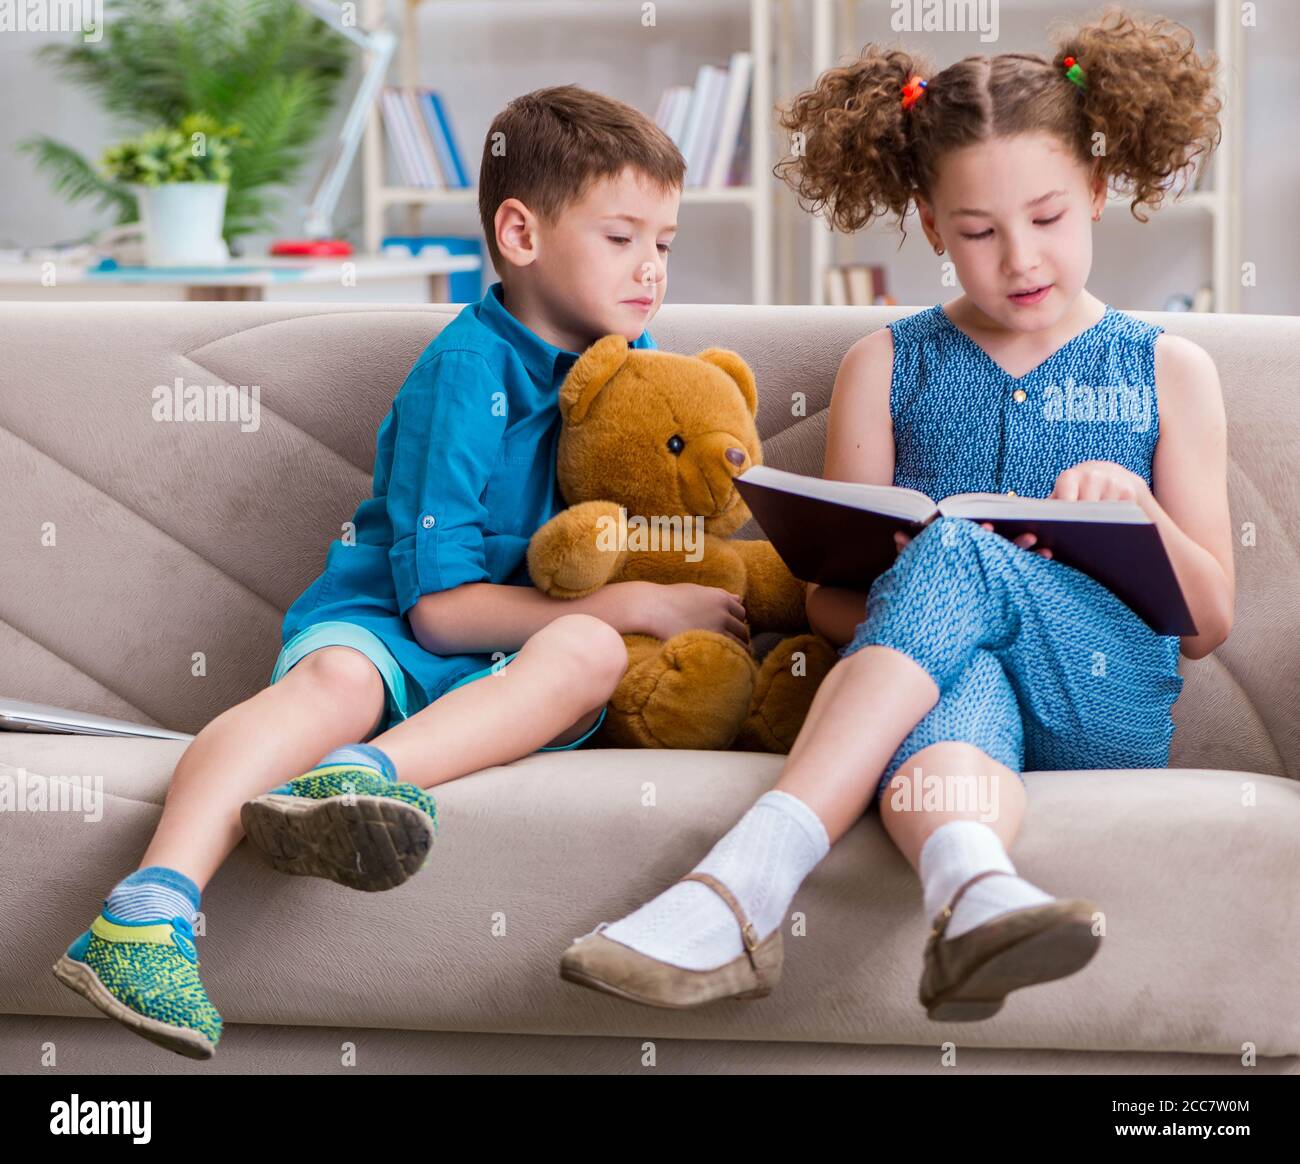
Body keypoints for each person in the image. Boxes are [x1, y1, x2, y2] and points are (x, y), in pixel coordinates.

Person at [560, 9, 1234, 1022]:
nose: (1019, 257)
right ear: (928, 223)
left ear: (1097, 191)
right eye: (976, 231)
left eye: (1048, 217)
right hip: (940, 696)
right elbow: (833, 596)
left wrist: (1137, 509)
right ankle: (975, 895)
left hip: (1104, 696)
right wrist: (930, 597)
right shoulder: (884, 365)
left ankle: (747, 877)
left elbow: (1207, 628)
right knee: (957, 690)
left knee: (953, 549)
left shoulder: (1165, 370)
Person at [53, 84, 749, 1059]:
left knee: (591, 651)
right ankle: (149, 908)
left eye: (665, 244)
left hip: (503, 671)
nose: (651, 271)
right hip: (396, 624)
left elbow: (658, 507)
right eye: (624, 238)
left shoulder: (631, 369)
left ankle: (362, 782)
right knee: (336, 680)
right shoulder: (466, 373)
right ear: (519, 232)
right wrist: (632, 596)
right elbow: (437, 615)